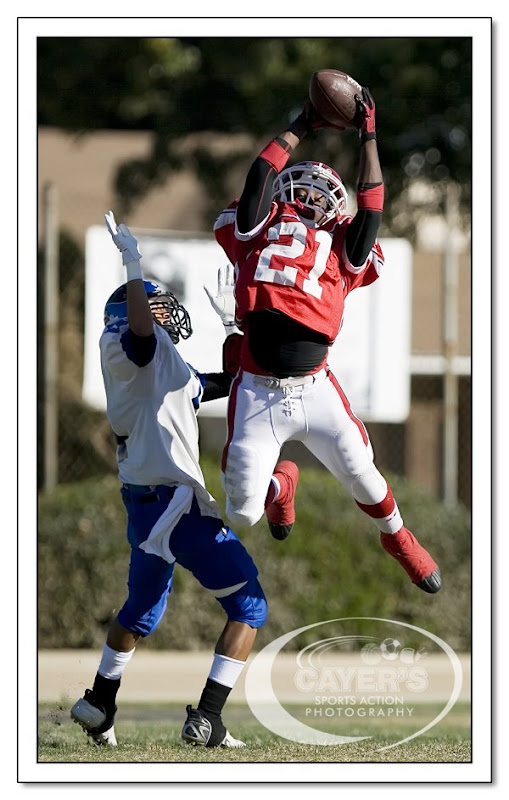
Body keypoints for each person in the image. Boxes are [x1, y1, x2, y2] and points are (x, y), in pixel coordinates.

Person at [213, 86, 441, 594]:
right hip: (257, 391)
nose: (311, 199)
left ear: (336, 207)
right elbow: (257, 178)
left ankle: (399, 538)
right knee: (244, 512)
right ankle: (282, 483)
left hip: (314, 388)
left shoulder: (343, 245)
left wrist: (369, 137)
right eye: (304, 189)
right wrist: (301, 123)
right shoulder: (259, 224)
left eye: (323, 194)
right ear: (286, 191)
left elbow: (374, 207)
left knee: (366, 475)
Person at [70, 212, 266, 748]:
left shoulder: (163, 365)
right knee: (250, 604)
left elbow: (223, 384)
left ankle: (98, 703)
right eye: (153, 306)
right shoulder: (129, 349)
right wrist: (133, 262)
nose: (163, 314)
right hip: (173, 502)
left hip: (151, 502)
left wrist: (239, 332)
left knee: (140, 612)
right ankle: (208, 717)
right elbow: (137, 329)